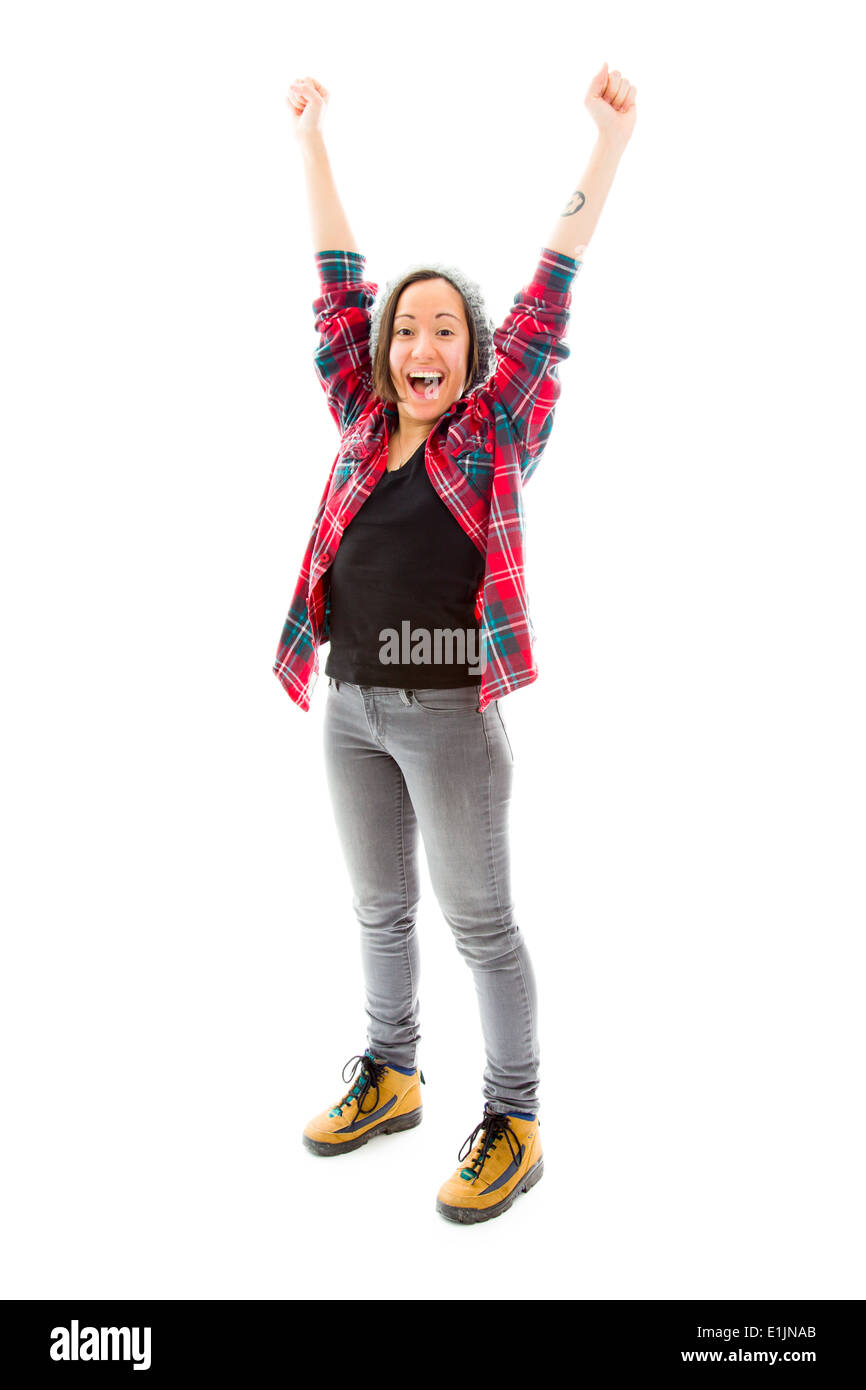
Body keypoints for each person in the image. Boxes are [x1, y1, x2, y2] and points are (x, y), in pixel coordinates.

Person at [275, 67, 636, 1223]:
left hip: (447, 719)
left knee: (479, 924)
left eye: (444, 328)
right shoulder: (359, 417)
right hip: (349, 709)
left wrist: (604, 146)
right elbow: (336, 284)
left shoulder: (491, 430)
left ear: (474, 355)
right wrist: (314, 136)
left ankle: (515, 1120)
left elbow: (550, 290)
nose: (417, 341)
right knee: (378, 911)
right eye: (403, 327)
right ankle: (390, 1073)